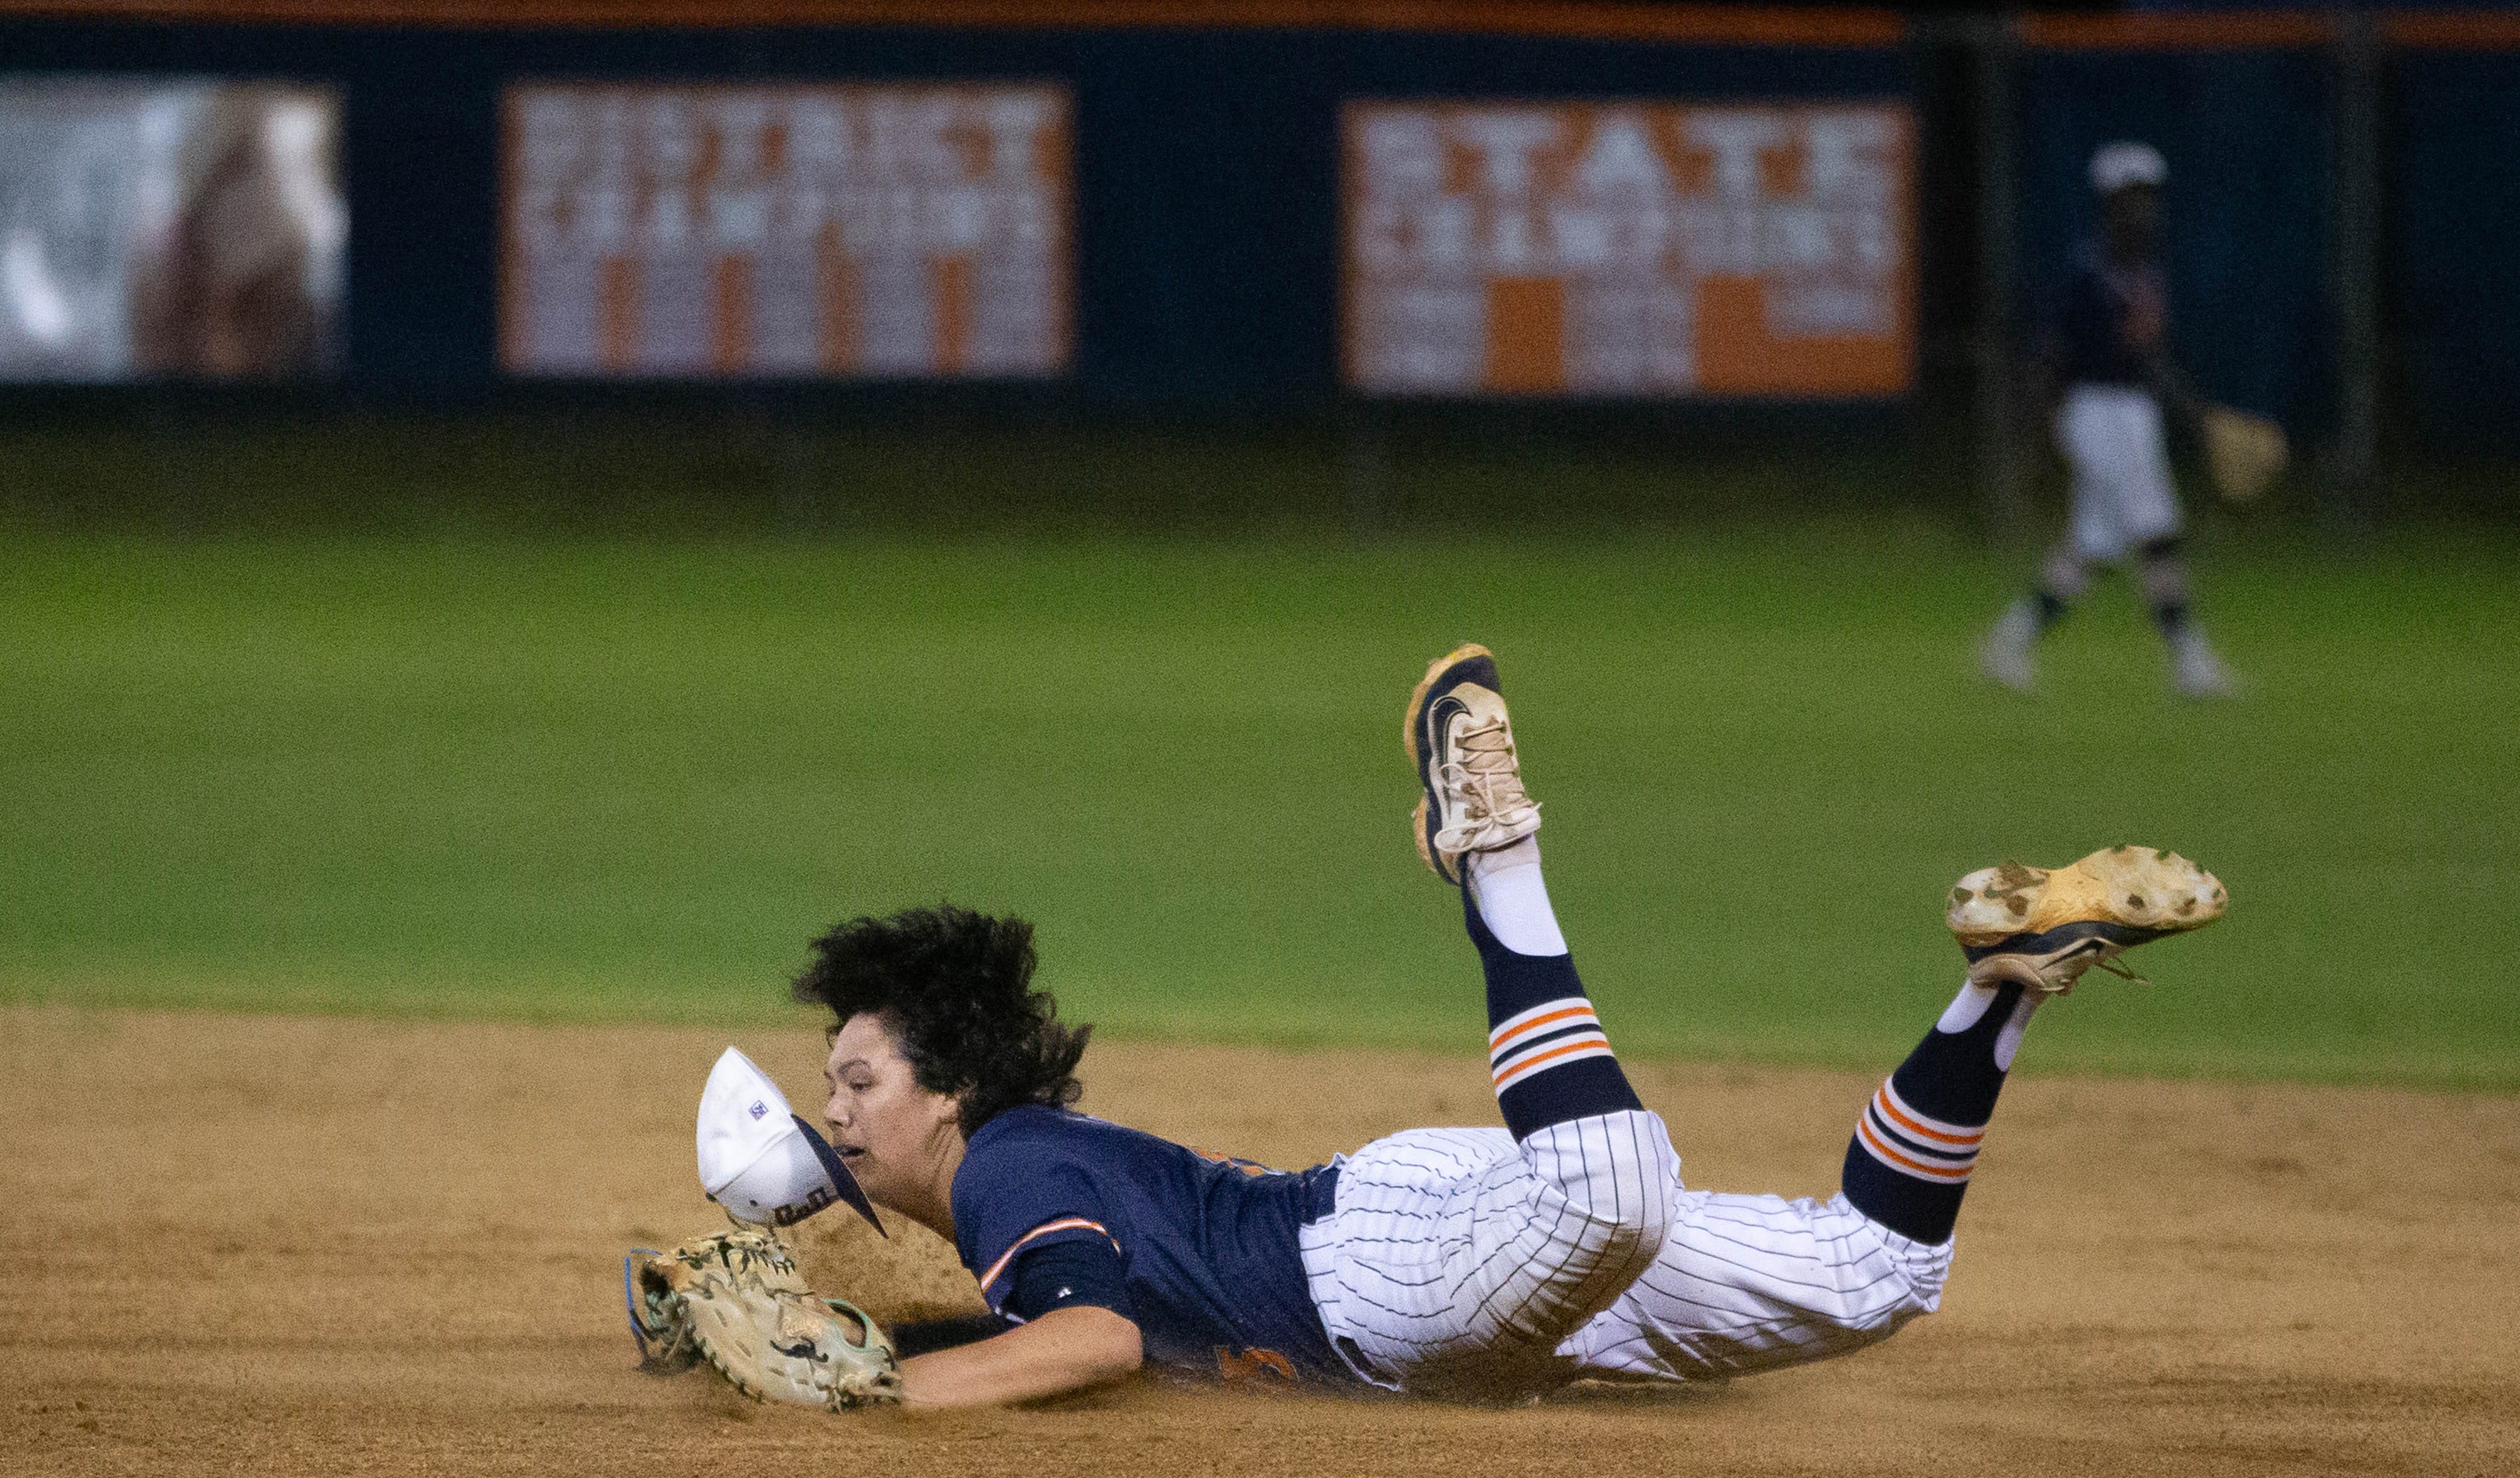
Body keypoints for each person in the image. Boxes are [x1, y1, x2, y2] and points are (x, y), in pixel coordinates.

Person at [806, 644, 2225, 1409]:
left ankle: (1488, 850)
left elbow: (1089, 1341)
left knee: (1612, 1190)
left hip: (1381, 1278)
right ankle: (1994, 984)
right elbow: (1020, 1317)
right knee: (1877, 1271)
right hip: (1443, 1265)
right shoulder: (1011, 1189)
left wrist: (858, 1401)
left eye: (861, 1076)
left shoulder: (1003, 1164)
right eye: (831, 1087)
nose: (839, 1108)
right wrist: (843, 1330)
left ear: (955, 1092)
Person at [1980, 142, 2238, 699]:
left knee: (2094, 545)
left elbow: (2148, 358)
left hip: (2135, 415)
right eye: (2130, 197)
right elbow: (2052, 354)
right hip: (2096, 412)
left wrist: (2193, 412)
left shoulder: (2146, 272)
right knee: (2156, 532)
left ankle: (2010, 641)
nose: (2142, 209)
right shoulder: (2088, 271)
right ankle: (2190, 662)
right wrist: (2032, 429)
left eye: (2149, 196)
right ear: (2107, 203)